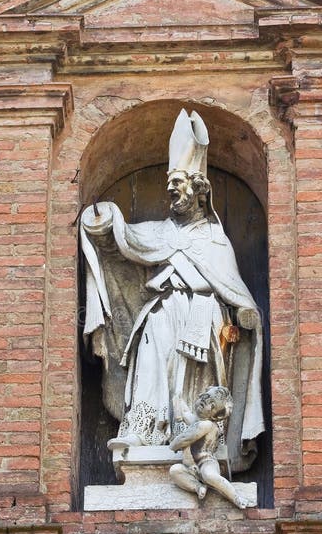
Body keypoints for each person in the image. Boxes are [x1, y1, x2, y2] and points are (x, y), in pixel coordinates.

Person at [80, 109, 264, 474]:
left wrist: (245, 310)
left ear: (199, 192)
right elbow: (126, 242)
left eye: (178, 187)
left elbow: (232, 287)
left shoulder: (214, 239)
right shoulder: (161, 231)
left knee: (196, 378)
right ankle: (142, 433)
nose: (172, 194)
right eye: (170, 188)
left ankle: (196, 440)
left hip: (204, 313)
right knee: (149, 366)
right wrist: (106, 220)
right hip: (163, 309)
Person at [169, 387, 251, 509]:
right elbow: (185, 413)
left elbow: (182, 440)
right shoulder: (197, 421)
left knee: (209, 475)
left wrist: (175, 443)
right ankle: (198, 487)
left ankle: (236, 497)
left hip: (206, 462)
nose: (204, 402)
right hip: (192, 468)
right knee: (175, 471)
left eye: (211, 404)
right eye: (204, 397)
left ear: (216, 416)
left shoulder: (205, 425)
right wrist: (178, 399)